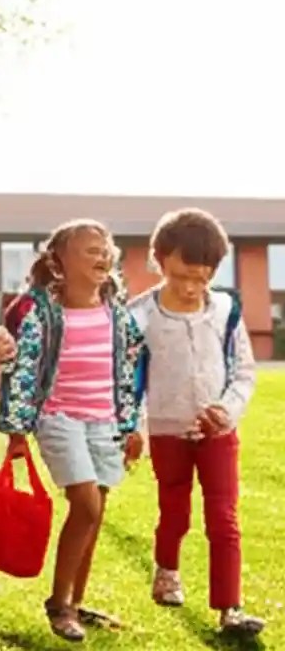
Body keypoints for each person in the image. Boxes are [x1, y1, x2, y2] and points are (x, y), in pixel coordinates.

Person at [0, 219, 144, 642]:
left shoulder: (117, 313)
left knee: (96, 513)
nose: (102, 255)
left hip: (105, 421)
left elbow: (128, 372)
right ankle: (59, 605)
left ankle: (76, 602)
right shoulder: (41, 312)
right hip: (59, 418)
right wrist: (17, 431)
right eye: (90, 249)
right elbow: (20, 373)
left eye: (105, 248)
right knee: (87, 506)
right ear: (59, 261)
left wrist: (131, 426)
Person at [129, 210, 262, 634]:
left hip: (218, 432)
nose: (190, 287)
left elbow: (243, 370)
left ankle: (231, 609)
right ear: (160, 259)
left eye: (200, 278)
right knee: (175, 512)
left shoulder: (226, 310)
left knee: (224, 518)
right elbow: (126, 381)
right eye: (181, 275)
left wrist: (227, 410)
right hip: (167, 431)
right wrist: (133, 425)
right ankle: (167, 571)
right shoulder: (139, 316)